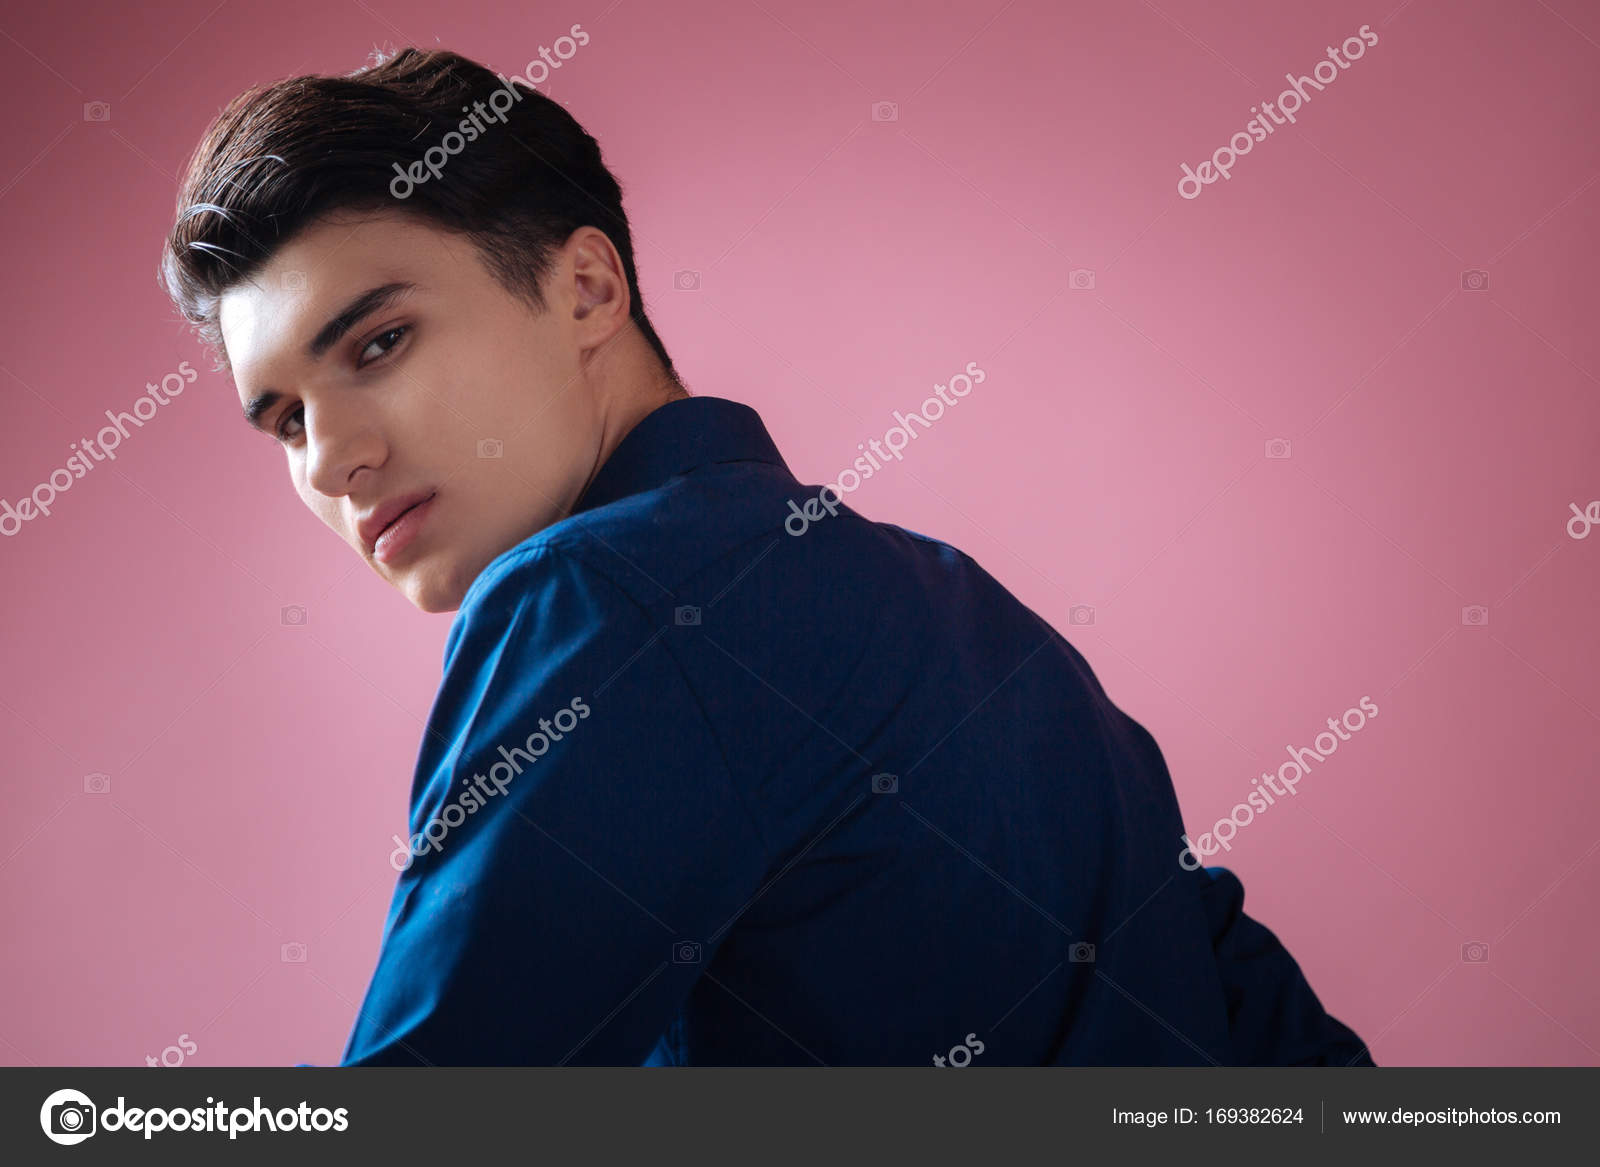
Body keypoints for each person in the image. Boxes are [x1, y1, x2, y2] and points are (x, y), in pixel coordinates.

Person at [160, 47, 1373, 1067]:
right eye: (286, 421)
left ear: (585, 286)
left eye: (376, 344)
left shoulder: (603, 599)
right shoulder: (966, 611)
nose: (331, 461)